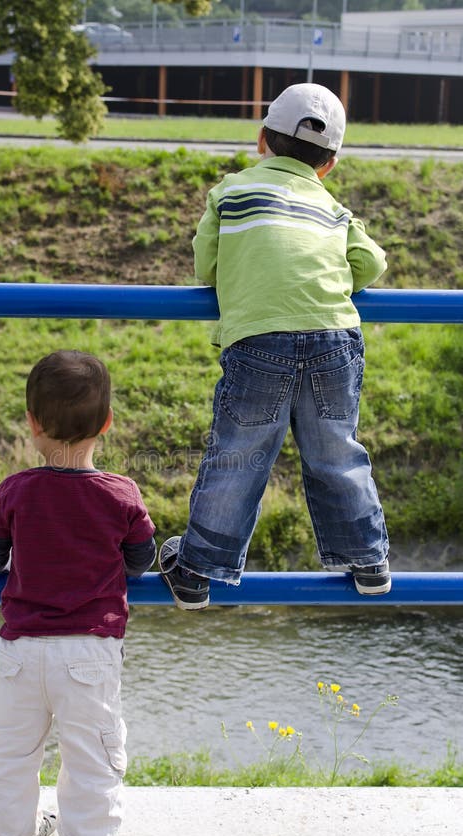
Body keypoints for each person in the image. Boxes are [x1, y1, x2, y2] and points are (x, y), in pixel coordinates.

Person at [159, 82, 390, 610]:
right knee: (336, 452)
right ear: (329, 164)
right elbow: (371, 263)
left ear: (262, 139)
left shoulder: (232, 191)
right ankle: (369, 561)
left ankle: (196, 572)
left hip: (259, 339)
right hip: (334, 337)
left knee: (239, 456)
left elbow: (206, 266)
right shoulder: (333, 208)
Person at [0, 349, 156, 836]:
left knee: (11, 750)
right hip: (90, 651)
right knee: (91, 751)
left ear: (33, 424)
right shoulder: (120, 494)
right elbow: (141, 560)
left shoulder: (15, 490)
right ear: (107, 423)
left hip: (21, 650)